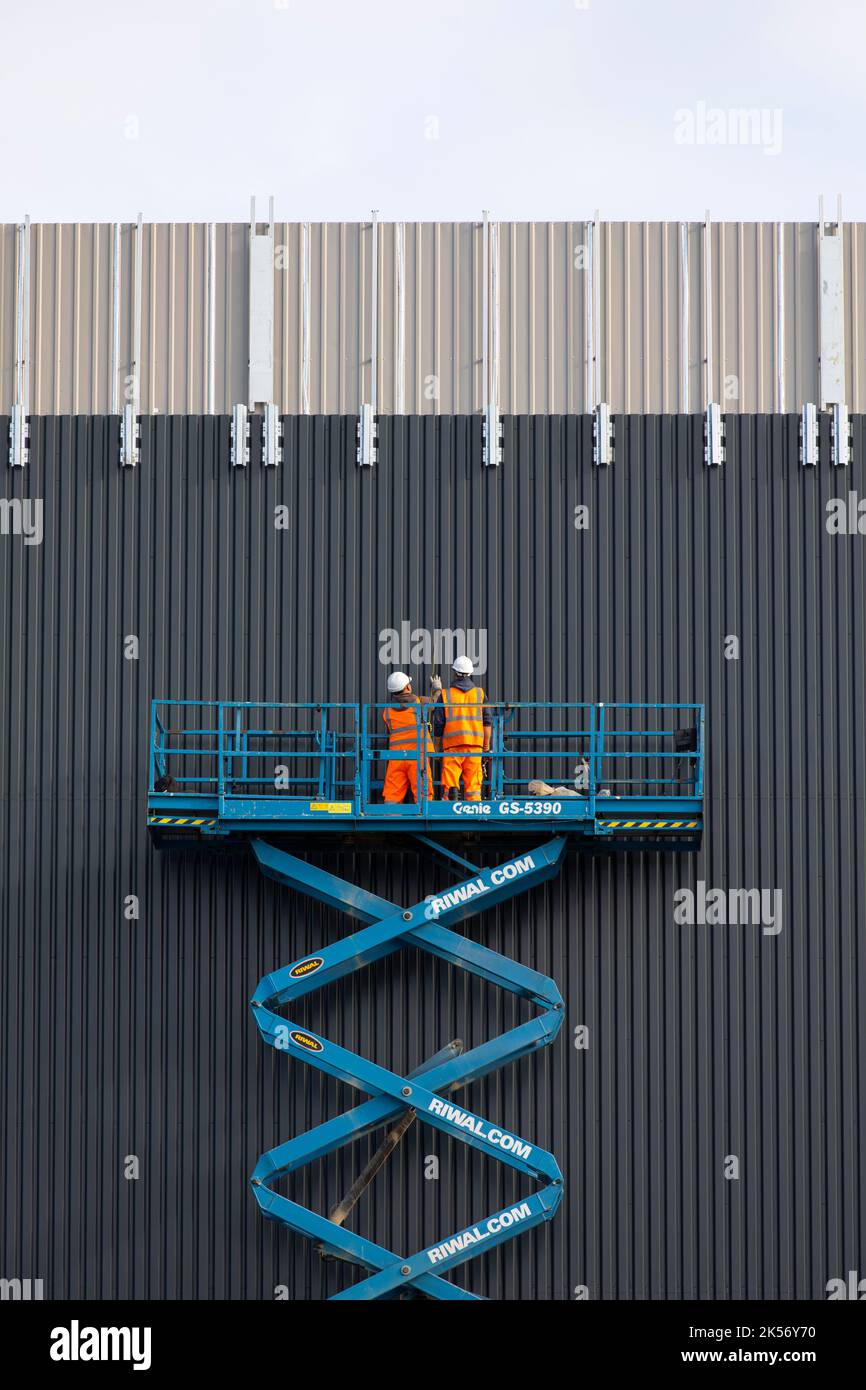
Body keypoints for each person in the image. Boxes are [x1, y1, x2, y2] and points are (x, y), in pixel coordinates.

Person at [432, 656, 491, 801]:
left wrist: (438, 747)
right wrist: (486, 747)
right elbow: (487, 722)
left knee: (450, 785)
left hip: (452, 747)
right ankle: (474, 815)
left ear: (455, 673)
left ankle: (450, 814)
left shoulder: (446, 695)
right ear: (470, 673)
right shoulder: (480, 694)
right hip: (475, 748)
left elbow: (438, 724)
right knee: (473, 788)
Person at [381, 671, 439, 803]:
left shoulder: (387, 711)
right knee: (423, 793)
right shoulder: (420, 702)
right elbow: (435, 702)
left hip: (396, 757)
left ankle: (389, 819)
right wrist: (437, 688)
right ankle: (425, 819)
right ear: (408, 687)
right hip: (418, 755)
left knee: (392, 794)